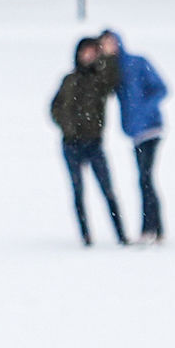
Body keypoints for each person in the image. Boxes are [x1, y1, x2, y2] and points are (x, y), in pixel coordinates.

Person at [50, 34, 128, 246]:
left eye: (93, 51)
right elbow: (55, 108)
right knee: (78, 191)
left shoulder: (99, 80)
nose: (88, 55)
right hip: (71, 144)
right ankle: (85, 236)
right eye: (86, 51)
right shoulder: (69, 80)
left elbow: (112, 78)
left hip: (93, 143)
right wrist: (68, 126)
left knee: (107, 190)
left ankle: (120, 234)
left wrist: (109, 56)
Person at [98, 29, 169, 241]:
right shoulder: (111, 70)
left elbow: (161, 88)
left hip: (151, 127)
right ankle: (156, 229)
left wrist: (145, 110)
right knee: (144, 179)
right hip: (135, 131)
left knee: (145, 178)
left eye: (111, 42)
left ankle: (151, 228)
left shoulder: (137, 62)